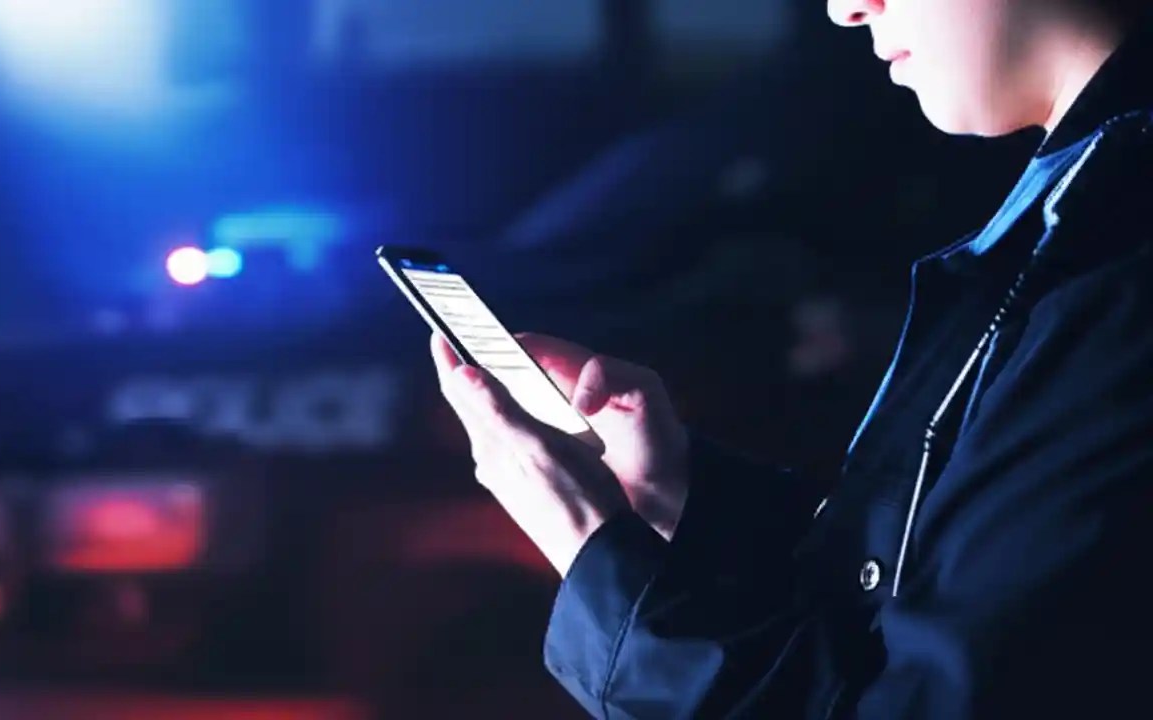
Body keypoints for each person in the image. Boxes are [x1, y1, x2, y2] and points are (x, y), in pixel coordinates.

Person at [429, 0, 1153, 716]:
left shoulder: (1119, 263)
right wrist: (684, 498)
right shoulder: (1081, 207)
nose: (846, 9)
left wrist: (596, 555)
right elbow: (927, 581)